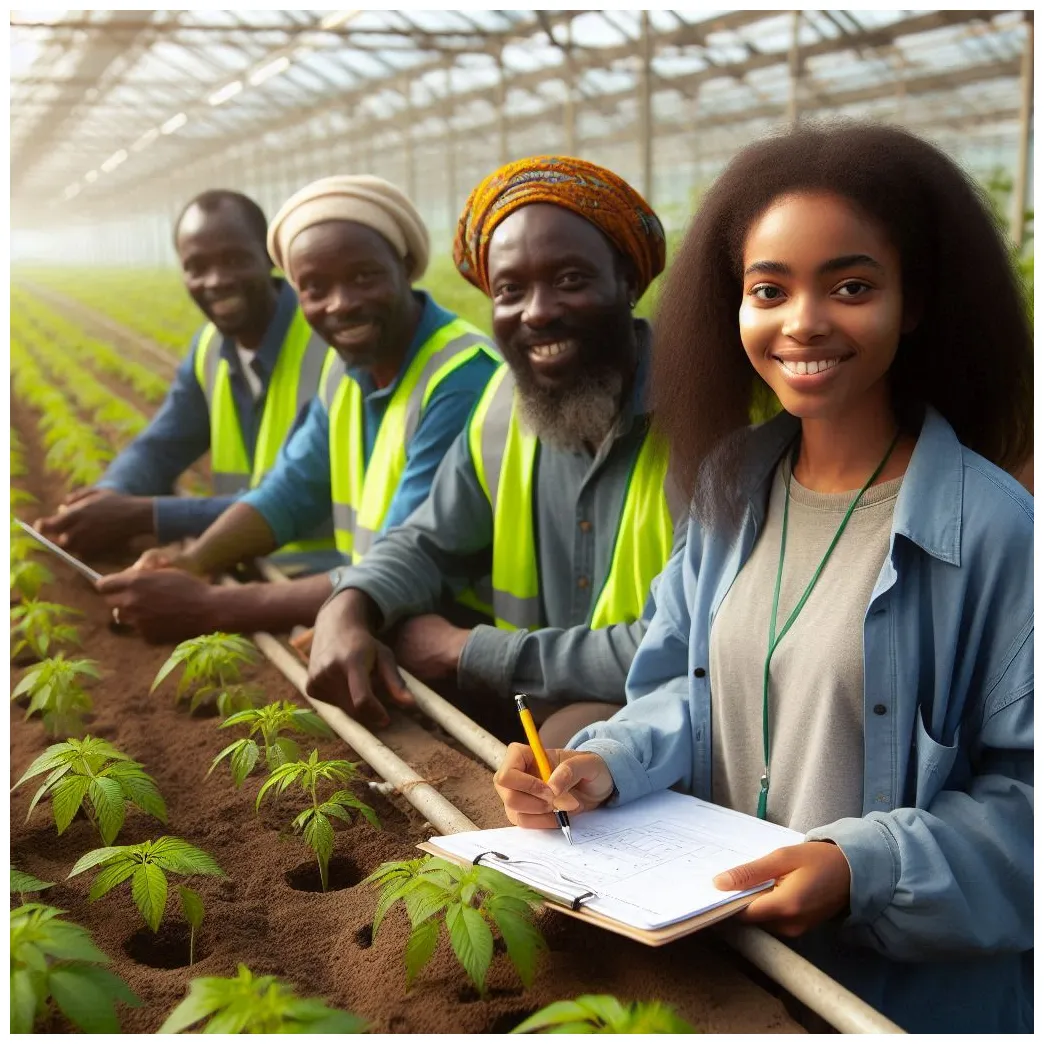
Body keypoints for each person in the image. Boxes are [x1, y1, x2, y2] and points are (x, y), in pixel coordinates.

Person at [492, 123, 1033, 1033]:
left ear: (914, 302)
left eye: (851, 286)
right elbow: (685, 688)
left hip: (891, 1007)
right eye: (768, 290)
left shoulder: (994, 533)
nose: (803, 322)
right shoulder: (731, 488)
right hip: (732, 974)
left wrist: (864, 868)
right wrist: (603, 764)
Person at [305, 156, 687, 742]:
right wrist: (350, 602)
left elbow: (677, 643)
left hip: (686, 729)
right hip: (536, 710)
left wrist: (464, 649)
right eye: (511, 290)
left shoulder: (699, 421)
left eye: (570, 280)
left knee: (571, 738)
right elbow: (428, 539)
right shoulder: (504, 410)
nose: (537, 311)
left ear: (628, 284)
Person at [97, 175, 500, 643]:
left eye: (363, 276)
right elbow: (290, 491)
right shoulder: (349, 368)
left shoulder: (460, 376)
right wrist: (194, 560)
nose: (341, 304)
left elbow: (404, 564)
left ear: (406, 266)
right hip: (385, 614)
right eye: (314, 287)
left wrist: (209, 606)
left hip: (461, 639)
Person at [38, 190, 334, 567]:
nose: (216, 280)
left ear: (270, 258)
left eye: (235, 260)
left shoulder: (329, 345)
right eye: (196, 266)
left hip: (329, 576)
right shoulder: (210, 347)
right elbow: (161, 445)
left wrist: (142, 515)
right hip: (244, 562)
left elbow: (289, 498)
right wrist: (111, 494)